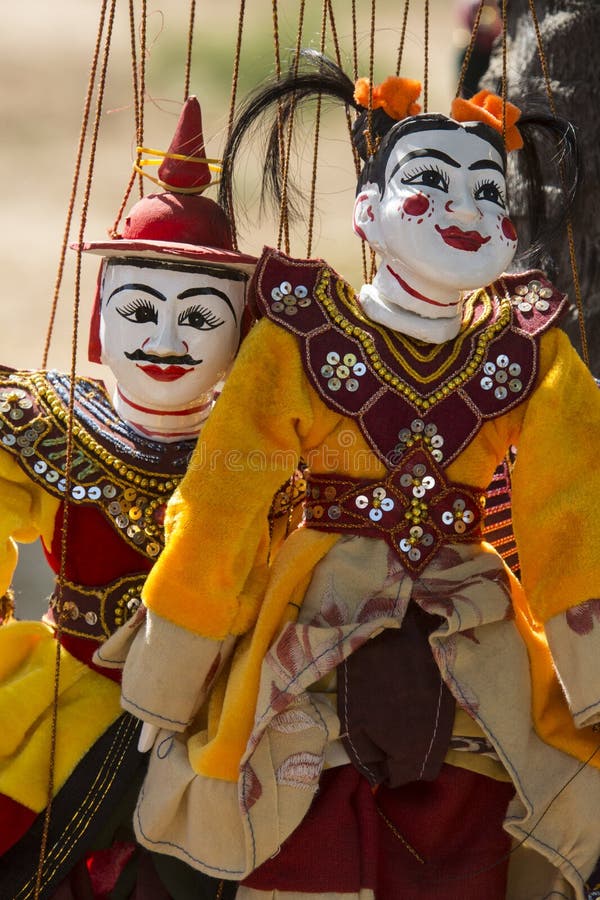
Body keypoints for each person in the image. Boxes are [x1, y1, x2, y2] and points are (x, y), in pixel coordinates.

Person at [98, 57, 600, 899]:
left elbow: (574, 511)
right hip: (311, 618)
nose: (466, 212)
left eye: (490, 194)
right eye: (431, 186)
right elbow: (221, 503)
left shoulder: (530, 346)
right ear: (365, 211)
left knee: (483, 812)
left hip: (476, 628)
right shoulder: (297, 332)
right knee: (301, 812)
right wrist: (168, 678)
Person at [0, 97, 256, 899]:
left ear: (243, 334)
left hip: (218, 716)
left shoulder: (262, 456)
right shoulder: (49, 426)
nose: (168, 342)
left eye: (200, 317)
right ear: (98, 326)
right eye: (141, 310)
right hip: (61, 693)